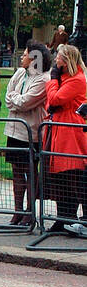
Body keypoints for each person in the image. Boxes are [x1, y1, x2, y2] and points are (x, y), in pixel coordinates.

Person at [2, 41, 50, 226]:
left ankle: (30, 212)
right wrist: (15, 98)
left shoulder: (43, 79)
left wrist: (15, 99)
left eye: (25, 54)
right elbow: (9, 94)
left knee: (30, 171)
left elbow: (25, 102)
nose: (22, 57)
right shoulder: (21, 73)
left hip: (31, 133)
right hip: (14, 130)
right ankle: (17, 211)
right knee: (16, 171)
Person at [42, 44, 87, 232]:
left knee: (72, 175)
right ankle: (63, 218)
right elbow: (49, 103)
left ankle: (71, 218)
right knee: (59, 177)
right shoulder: (64, 79)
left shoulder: (77, 80)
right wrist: (54, 89)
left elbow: (56, 99)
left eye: (58, 57)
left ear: (66, 60)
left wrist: (52, 83)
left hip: (71, 134)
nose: (55, 60)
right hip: (58, 130)